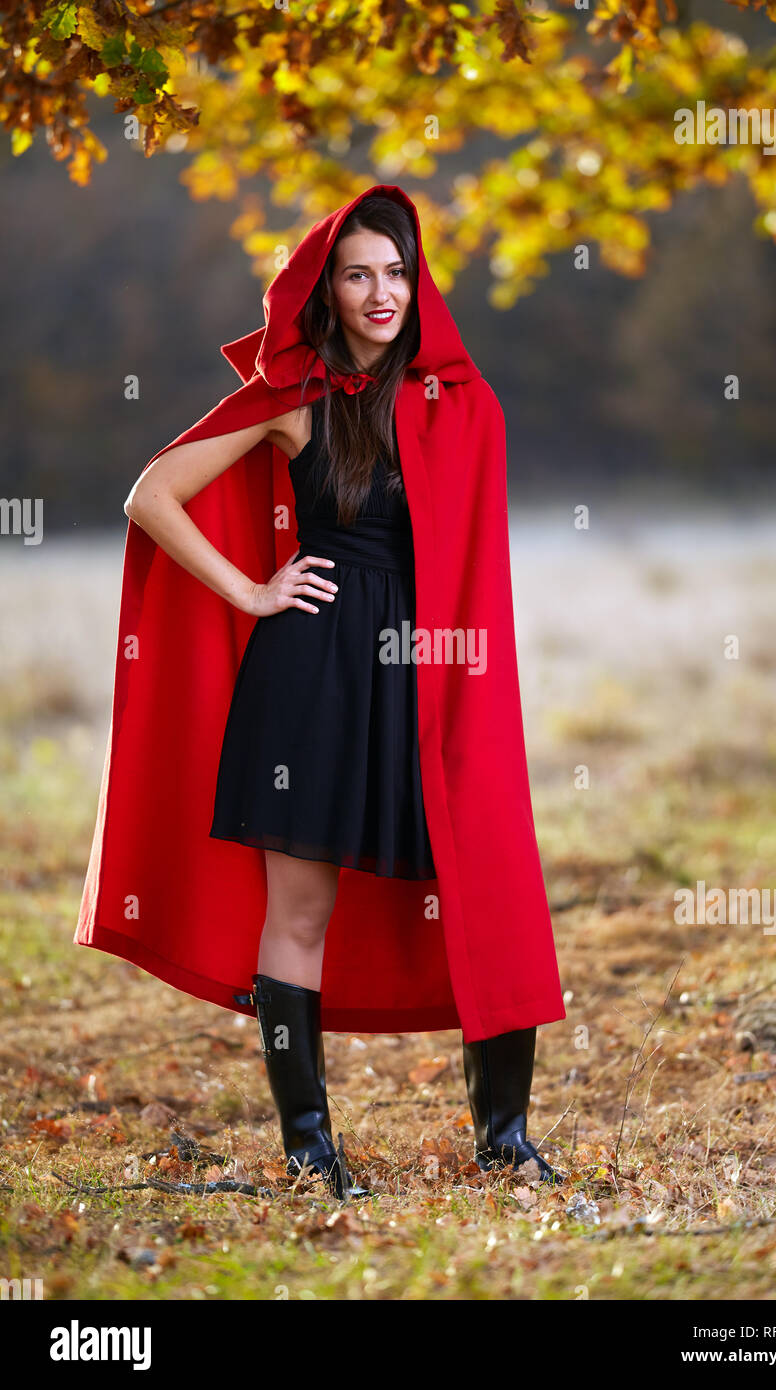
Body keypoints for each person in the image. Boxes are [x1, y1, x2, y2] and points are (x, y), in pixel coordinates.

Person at [76, 185, 567, 1200]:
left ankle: (504, 1139)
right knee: (298, 910)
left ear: (416, 282)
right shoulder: (296, 402)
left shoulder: (463, 402)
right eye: (356, 275)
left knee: (490, 879)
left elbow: (473, 560)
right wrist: (253, 590)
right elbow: (150, 493)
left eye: (395, 272)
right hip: (312, 673)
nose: (379, 293)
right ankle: (310, 1150)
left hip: (427, 676)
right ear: (327, 292)